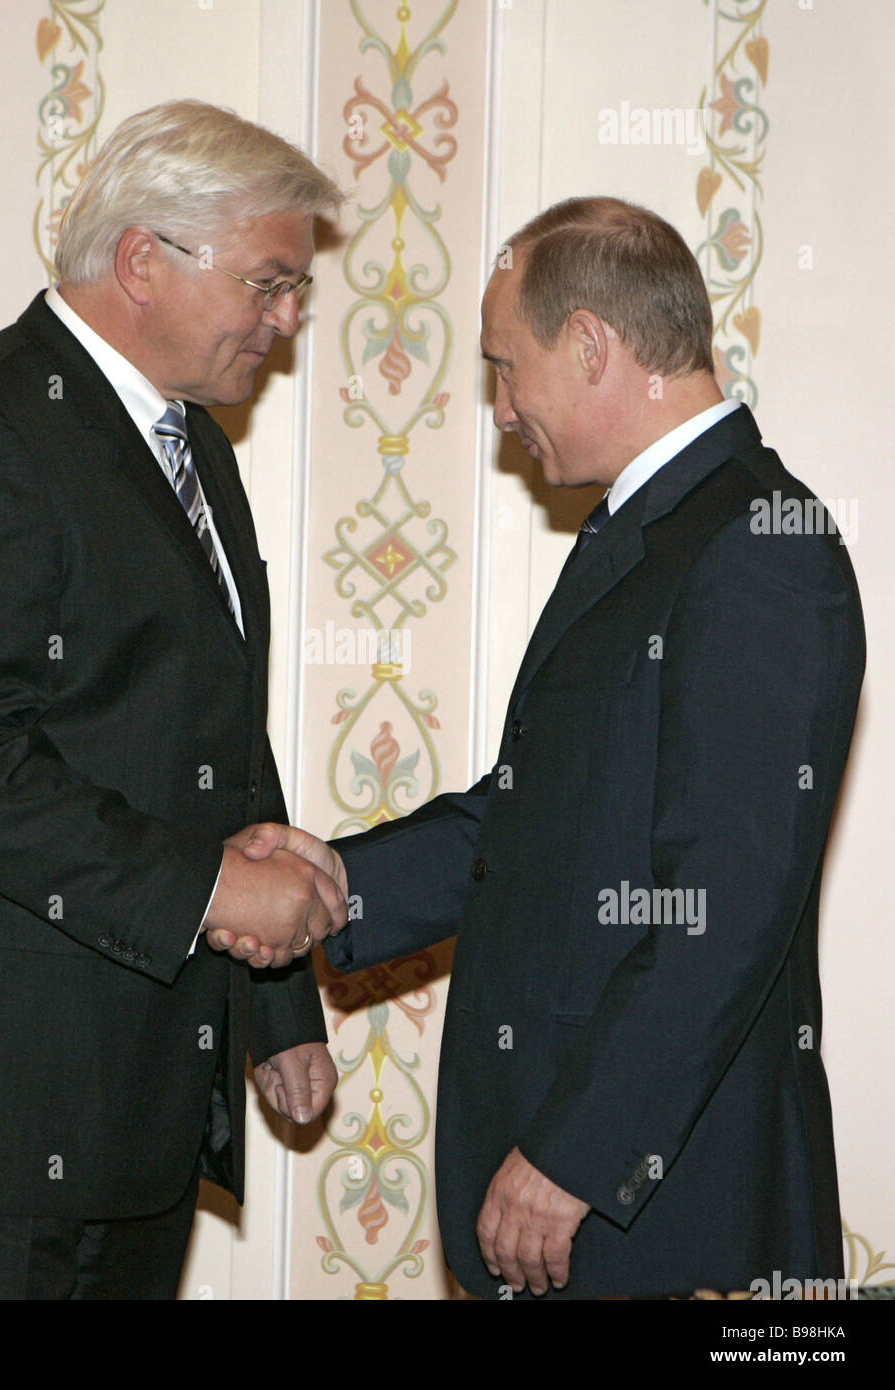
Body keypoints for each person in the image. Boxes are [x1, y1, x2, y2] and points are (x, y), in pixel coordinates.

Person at [241, 197, 866, 1299]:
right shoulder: (650, 530)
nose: (500, 407)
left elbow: (720, 908)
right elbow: (535, 813)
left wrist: (577, 1153)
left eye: (504, 365)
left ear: (588, 344)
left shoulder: (758, 549)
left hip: (663, 1211)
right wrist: (340, 880)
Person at [0, 100, 347, 1300]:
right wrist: (216, 888)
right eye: (269, 282)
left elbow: (213, 732)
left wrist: (277, 1004)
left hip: (129, 1124)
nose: (286, 319)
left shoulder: (194, 449)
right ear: (142, 260)